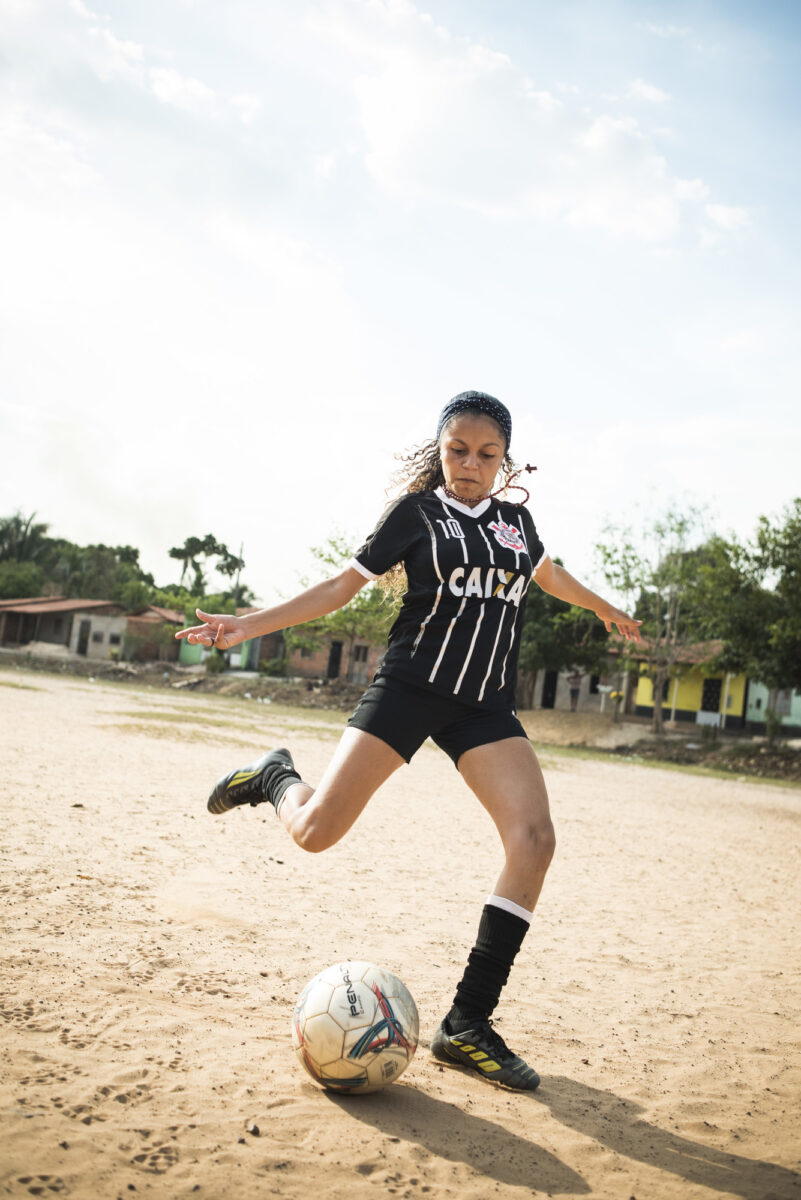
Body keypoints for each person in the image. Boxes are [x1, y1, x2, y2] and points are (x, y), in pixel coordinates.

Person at [176, 390, 641, 1091]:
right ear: (440, 449)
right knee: (314, 834)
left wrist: (602, 604)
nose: (469, 465)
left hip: (481, 706)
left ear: (503, 460)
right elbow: (341, 587)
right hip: (409, 688)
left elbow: (547, 574)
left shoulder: (517, 523)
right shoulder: (415, 515)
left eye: (486, 454)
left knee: (534, 840)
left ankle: (467, 1024)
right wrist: (248, 623)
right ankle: (275, 777)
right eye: (457, 450)